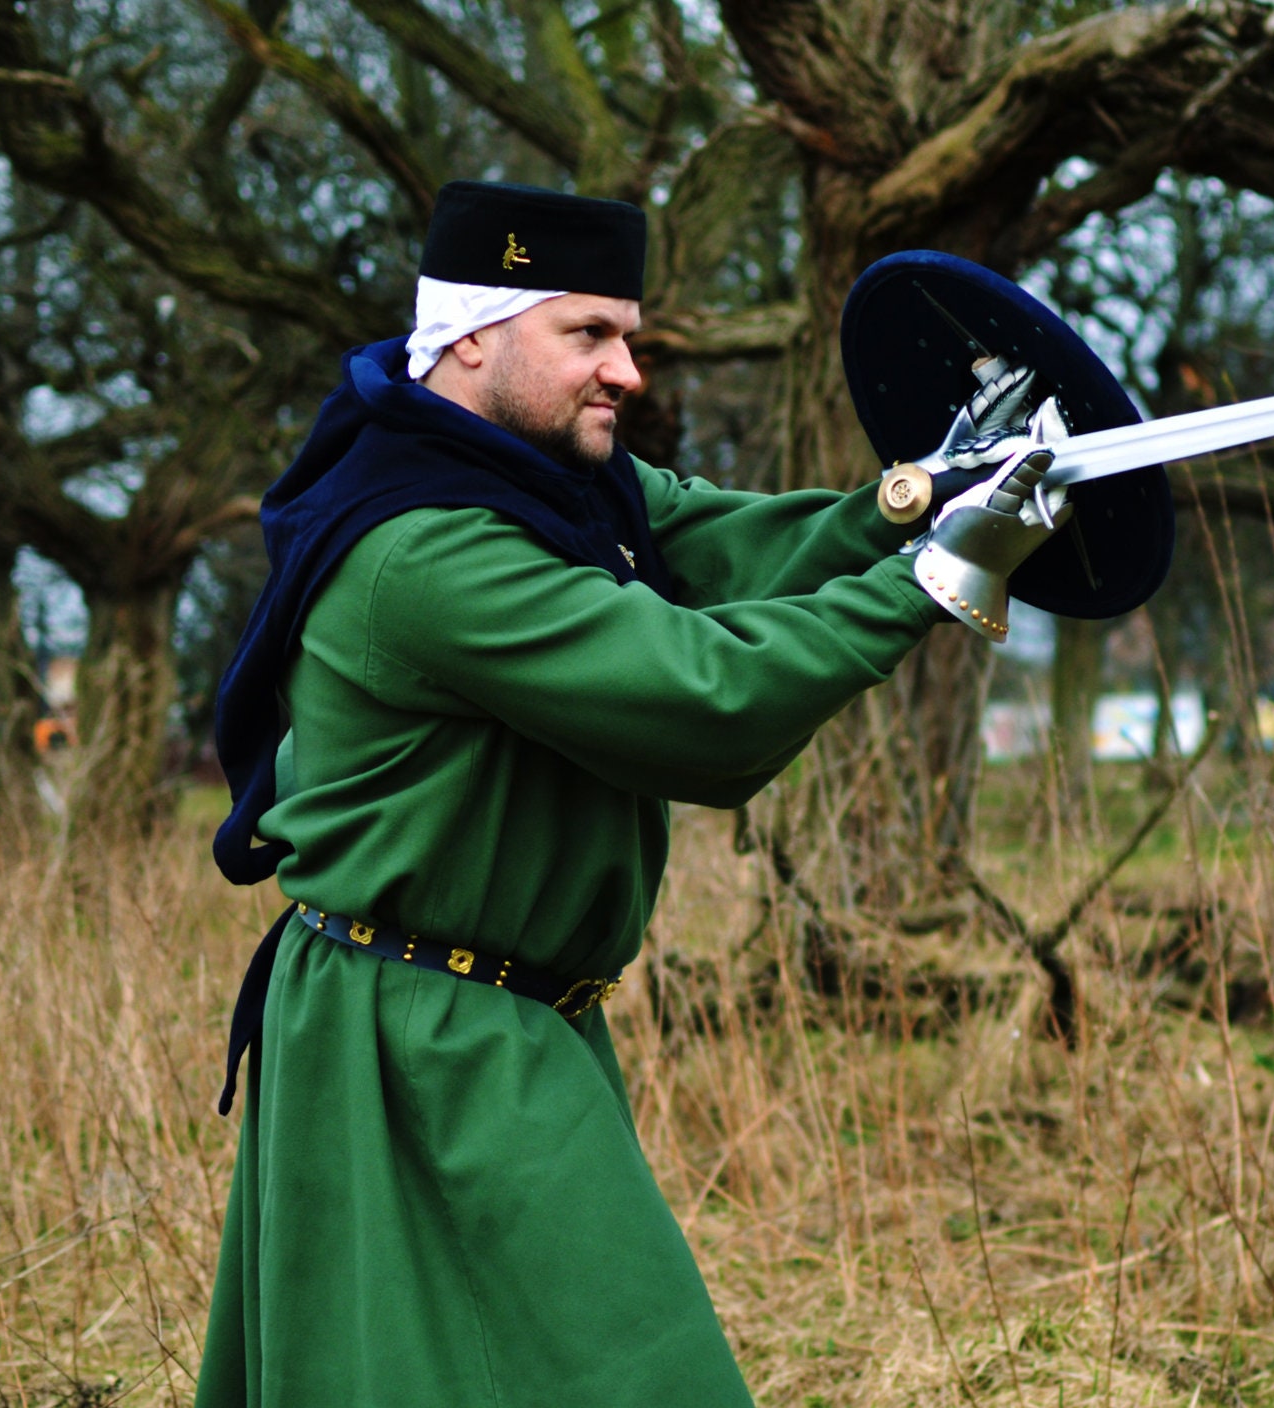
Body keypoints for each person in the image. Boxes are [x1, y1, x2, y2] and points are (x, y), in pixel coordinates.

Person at [197, 181, 1070, 1407]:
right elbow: (702, 705)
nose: (628, 372)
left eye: (631, 338)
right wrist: (937, 575)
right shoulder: (429, 550)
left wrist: (928, 488)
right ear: (472, 336)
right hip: (411, 1032)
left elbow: (734, 549)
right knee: (606, 1375)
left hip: (507, 1011)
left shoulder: (559, 485)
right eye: (588, 336)